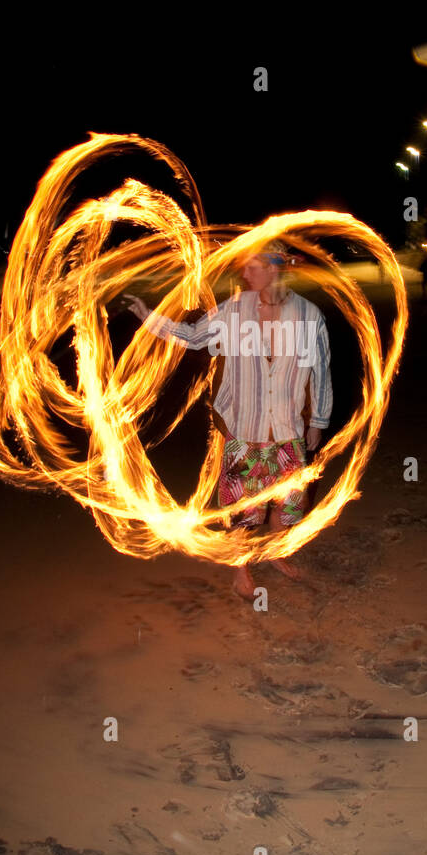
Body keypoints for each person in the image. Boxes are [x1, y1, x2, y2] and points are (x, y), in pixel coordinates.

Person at [123, 240, 332, 599]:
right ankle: (241, 572)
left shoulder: (309, 316)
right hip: (245, 431)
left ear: (273, 269)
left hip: (288, 432)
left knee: (287, 507)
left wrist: (318, 421)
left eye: (252, 266)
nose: (243, 272)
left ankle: (277, 554)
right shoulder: (233, 311)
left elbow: (321, 371)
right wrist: (149, 317)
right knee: (244, 513)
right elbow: (192, 336)